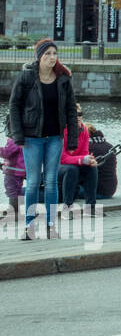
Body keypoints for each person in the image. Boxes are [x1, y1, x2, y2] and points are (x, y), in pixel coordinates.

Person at [7, 40, 80, 239]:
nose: (51, 57)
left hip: (55, 137)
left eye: (54, 53)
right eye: (47, 53)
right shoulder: (26, 77)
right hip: (32, 138)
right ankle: (29, 226)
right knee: (32, 182)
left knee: (50, 182)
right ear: (39, 56)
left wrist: (72, 139)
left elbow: (71, 110)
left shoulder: (63, 79)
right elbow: (14, 106)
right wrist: (18, 135)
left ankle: (50, 226)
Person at [58, 105, 98, 216]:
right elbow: (62, 158)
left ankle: (90, 208)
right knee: (72, 169)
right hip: (56, 167)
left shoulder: (84, 130)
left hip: (73, 164)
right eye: (74, 115)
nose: (78, 117)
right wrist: (82, 160)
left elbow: (84, 153)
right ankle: (67, 209)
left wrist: (90, 160)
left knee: (91, 168)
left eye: (80, 114)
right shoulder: (60, 131)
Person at [1, 137, 24, 225]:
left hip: (12, 170)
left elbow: (7, 153)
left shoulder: (13, 140)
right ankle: (15, 210)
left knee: (11, 190)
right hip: (20, 170)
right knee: (17, 190)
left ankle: (14, 212)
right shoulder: (21, 138)